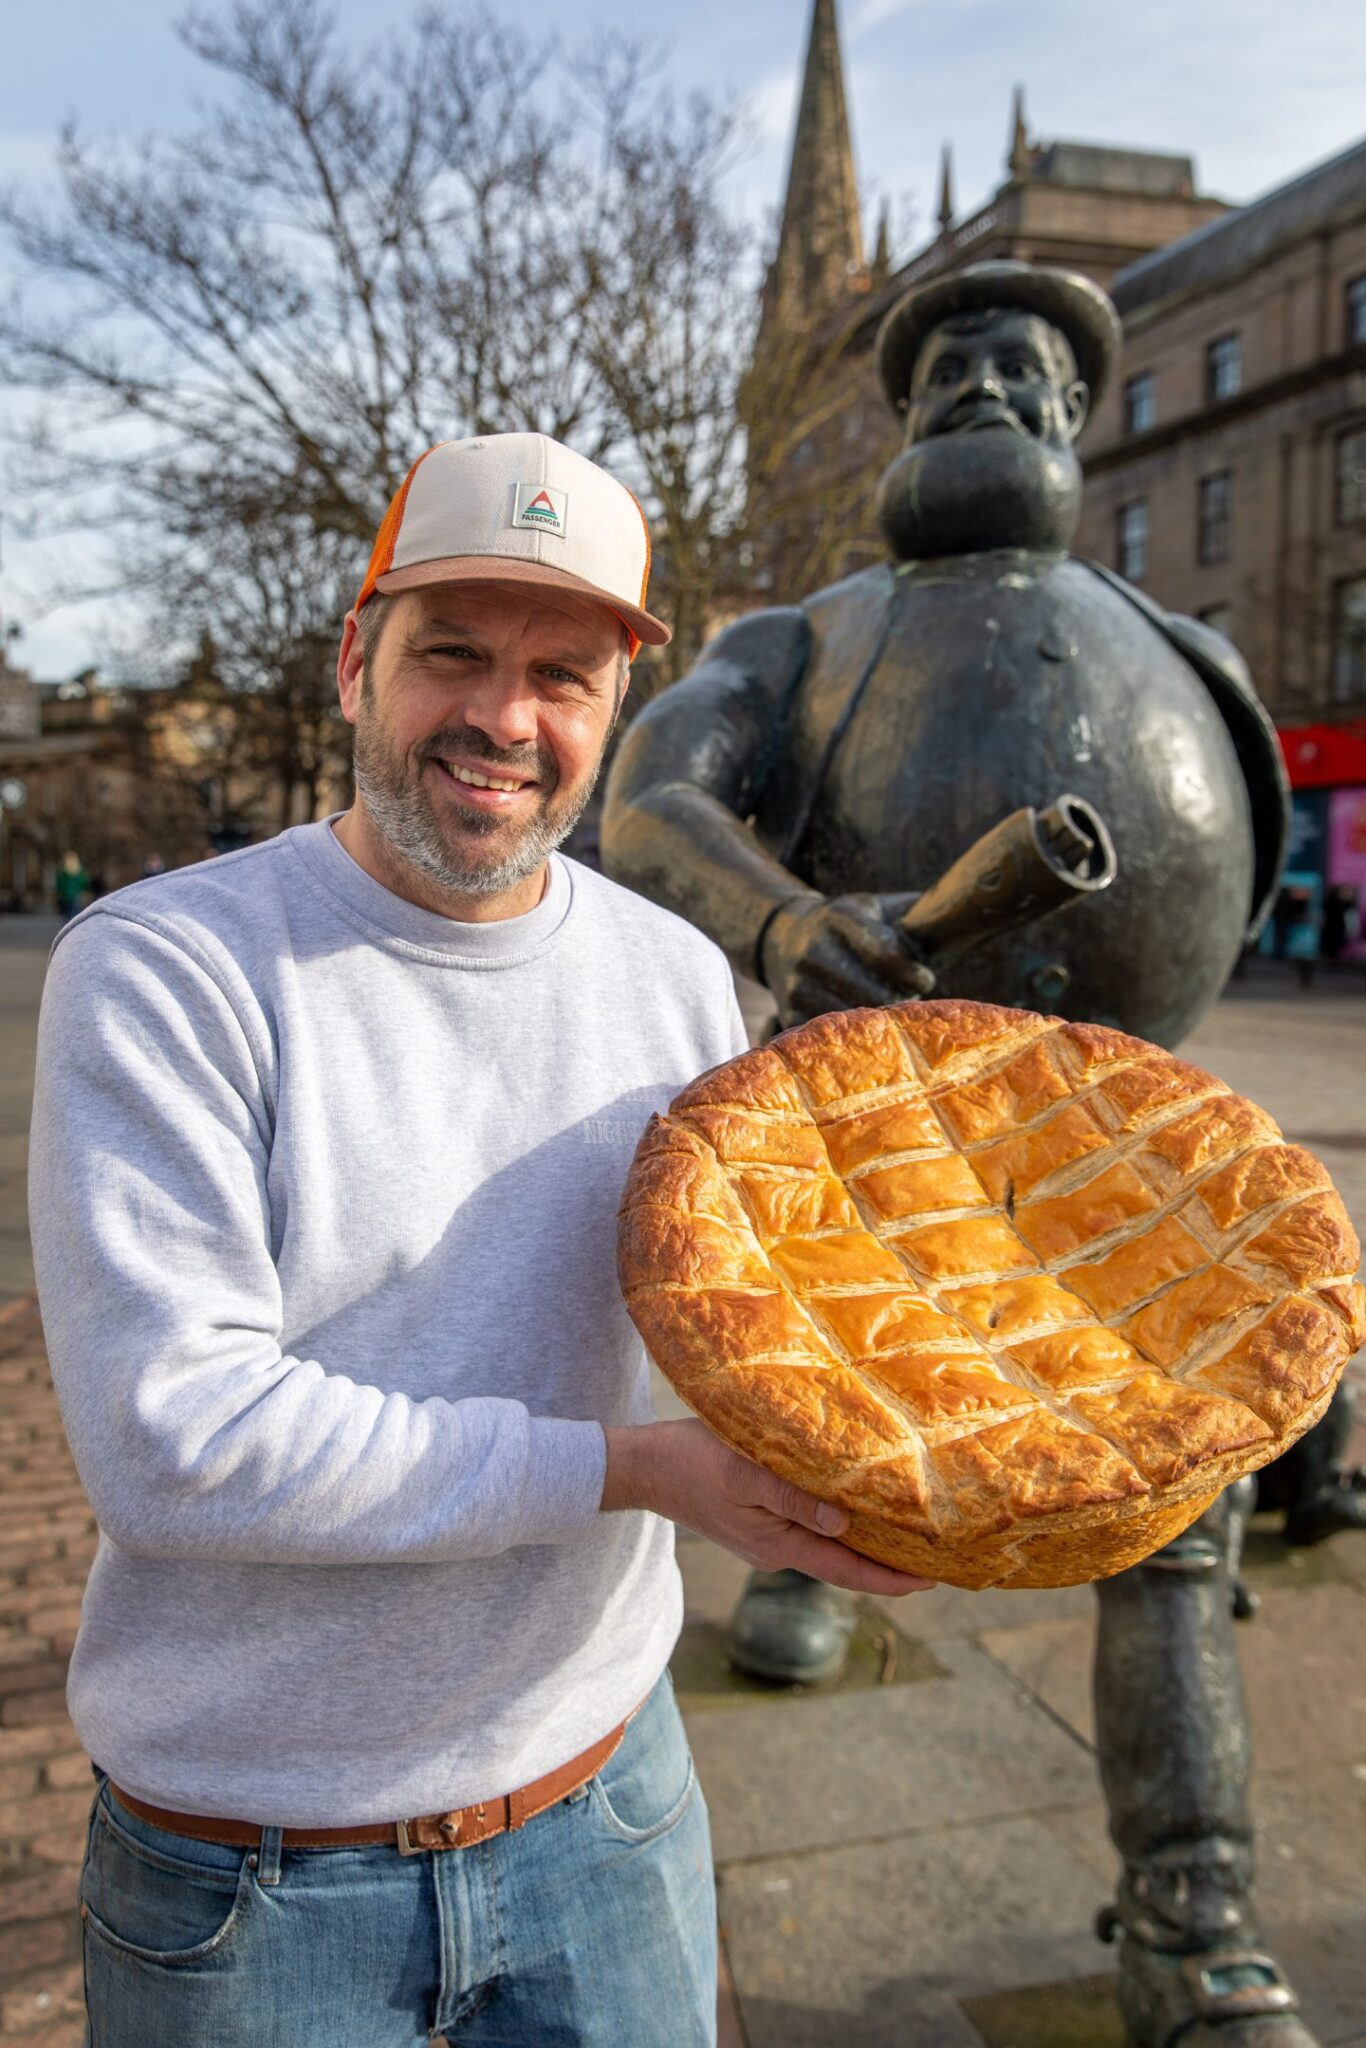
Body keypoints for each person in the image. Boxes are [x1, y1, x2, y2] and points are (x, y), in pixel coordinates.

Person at [28, 431, 929, 2048]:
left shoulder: (668, 975)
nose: (504, 718)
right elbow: (175, 1439)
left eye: (563, 675)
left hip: (608, 1813)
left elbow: (760, 1308)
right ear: (354, 660)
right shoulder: (169, 965)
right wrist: (636, 1469)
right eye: (453, 651)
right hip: (257, 1875)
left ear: (610, 710)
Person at [53, 848, 88, 921]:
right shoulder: (79, 871)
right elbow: (84, 883)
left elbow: (59, 884)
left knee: (68, 916)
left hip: (65, 896)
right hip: (76, 896)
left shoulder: (62, 872)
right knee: (75, 915)